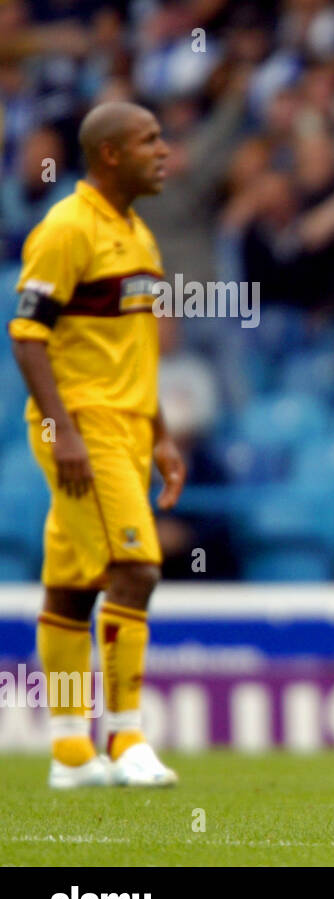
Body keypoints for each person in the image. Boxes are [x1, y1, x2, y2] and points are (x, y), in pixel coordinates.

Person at [8, 101, 186, 789]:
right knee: (136, 569)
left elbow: (135, 349)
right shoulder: (67, 228)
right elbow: (27, 336)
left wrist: (163, 432)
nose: (164, 150)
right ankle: (125, 738)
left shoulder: (136, 233)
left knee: (73, 582)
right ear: (110, 153)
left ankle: (69, 754)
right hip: (84, 428)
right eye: (149, 140)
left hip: (130, 425)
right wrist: (64, 430)